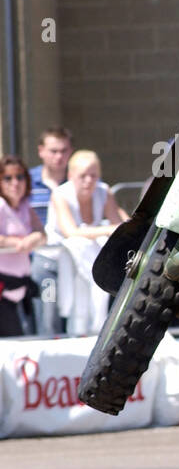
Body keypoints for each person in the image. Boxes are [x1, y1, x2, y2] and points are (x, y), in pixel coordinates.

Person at [46, 150, 128, 334]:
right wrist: (106, 230)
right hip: (51, 265)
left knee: (94, 303)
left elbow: (119, 225)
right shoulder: (60, 195)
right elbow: (71, 232)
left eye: (93, 175)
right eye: (83, 175)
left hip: (87, 263)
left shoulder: (103, 191)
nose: (89, 181)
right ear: (70, 176)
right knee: (49, 317)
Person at [27, 127, 73, 336]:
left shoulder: (79, 179)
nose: (59, 157)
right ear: (41, 151)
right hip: (41, 262)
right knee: (47, 316)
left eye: (63, 151)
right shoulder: (23, 182)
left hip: (73, 261)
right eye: (53, 151)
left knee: (76, 316)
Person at [0, 156, 46, 337]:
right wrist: (13, 242)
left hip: (19, 292)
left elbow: (41, 233)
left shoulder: (25, 207)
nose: (15, 183)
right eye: (8, 178)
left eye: (20, 177)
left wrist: (34, 238)